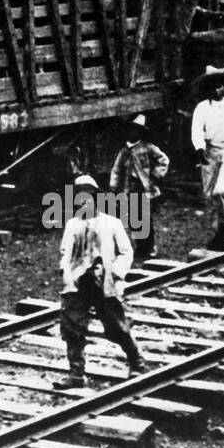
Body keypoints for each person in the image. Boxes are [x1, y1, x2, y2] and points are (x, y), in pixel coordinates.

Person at [54, 175, 145, 388]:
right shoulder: (72, 225)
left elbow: (126, 252)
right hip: (78, 283)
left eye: (88, 194)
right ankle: (76, 374)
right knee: (72, 328)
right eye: (79, 195)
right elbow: (65, 253)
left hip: (104, 283)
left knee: (116, 326)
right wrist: (66, 274)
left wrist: (115, 274)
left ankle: (137, 363)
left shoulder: (111, 223)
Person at [190, 65, 224, 249]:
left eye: (221, 86)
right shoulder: (202, 108)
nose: (218, 89)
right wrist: (200, 148)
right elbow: (197, 130)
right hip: (210, 152)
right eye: (214, 86)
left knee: (222, 190)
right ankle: (219, 230)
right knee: (210, 194)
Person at [107, 115, 169, 262]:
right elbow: (116, 170)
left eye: (136, 130)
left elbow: (164, 160)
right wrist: (113, 186)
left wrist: (156, 174)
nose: (132, 132)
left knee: (145, 218)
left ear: (141, 132)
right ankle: (141, 247)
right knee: (134, 219)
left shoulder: (148, 147)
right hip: (131, 189)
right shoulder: (124, 151)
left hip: (146, 189)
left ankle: (150, 247)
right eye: (130, 129)